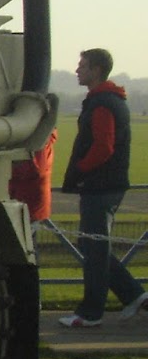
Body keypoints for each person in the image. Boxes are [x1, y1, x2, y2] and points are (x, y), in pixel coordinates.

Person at [58, 48, 148, 327]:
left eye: (82, 65)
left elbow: (103, 146)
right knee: (92, 244)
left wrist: (81, 171)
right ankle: (136, 296)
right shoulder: (109, 100)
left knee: (93, 247)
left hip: (101, 186)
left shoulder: (101, 104)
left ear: (96, 70)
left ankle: (90, 314)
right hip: (107, 184)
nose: (77, 70)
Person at [9, 128, 56, 222]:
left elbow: (37, 169)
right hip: (24, 199)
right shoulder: (40, 138)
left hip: (29, 201)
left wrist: (11, 168)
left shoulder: (40, 140)